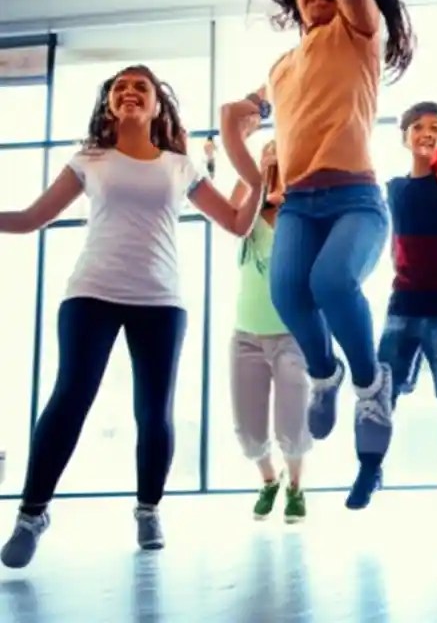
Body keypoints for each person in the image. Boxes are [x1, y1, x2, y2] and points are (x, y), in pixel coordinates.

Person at [0, 65, 264, 568]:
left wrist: (257, 178)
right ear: (109, 105)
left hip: (160, 300)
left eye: (139, 87)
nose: (128, 93)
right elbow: (34, 218)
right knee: (70, 397)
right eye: (119, 88)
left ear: (157, 106)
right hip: (91, 293)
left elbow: (234, 224)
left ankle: (148, 509)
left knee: (154, 410)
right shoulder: (89, 160)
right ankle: (31, 515)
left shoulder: (179, 165)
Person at [220, 0, 416, 458]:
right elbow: (243, 122)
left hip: (356, 197)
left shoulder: (358, 33)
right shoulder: (281, 68)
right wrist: (232, 124)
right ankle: (324, 374)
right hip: (300, 205)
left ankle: (369, 384)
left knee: (332, 282)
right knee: (287, 293)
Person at [346, 102, 437, 509]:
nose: (427, 132)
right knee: (381, 391)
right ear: (404, 136)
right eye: (418, 126)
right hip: (404, 302)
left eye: (436, 127)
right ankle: (370, 468)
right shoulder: (395, 188)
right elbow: (393, 242)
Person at [227, 140, 311, 523]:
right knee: (248, 433)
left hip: (293, 334)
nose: (277, 153)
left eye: (284, 147)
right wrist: (260, 175)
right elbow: (232, 213)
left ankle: (295, 486)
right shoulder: (249, 207)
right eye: (270, 148)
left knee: (293, 426)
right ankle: (268, 480)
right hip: (247, 334)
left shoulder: (304, 209)